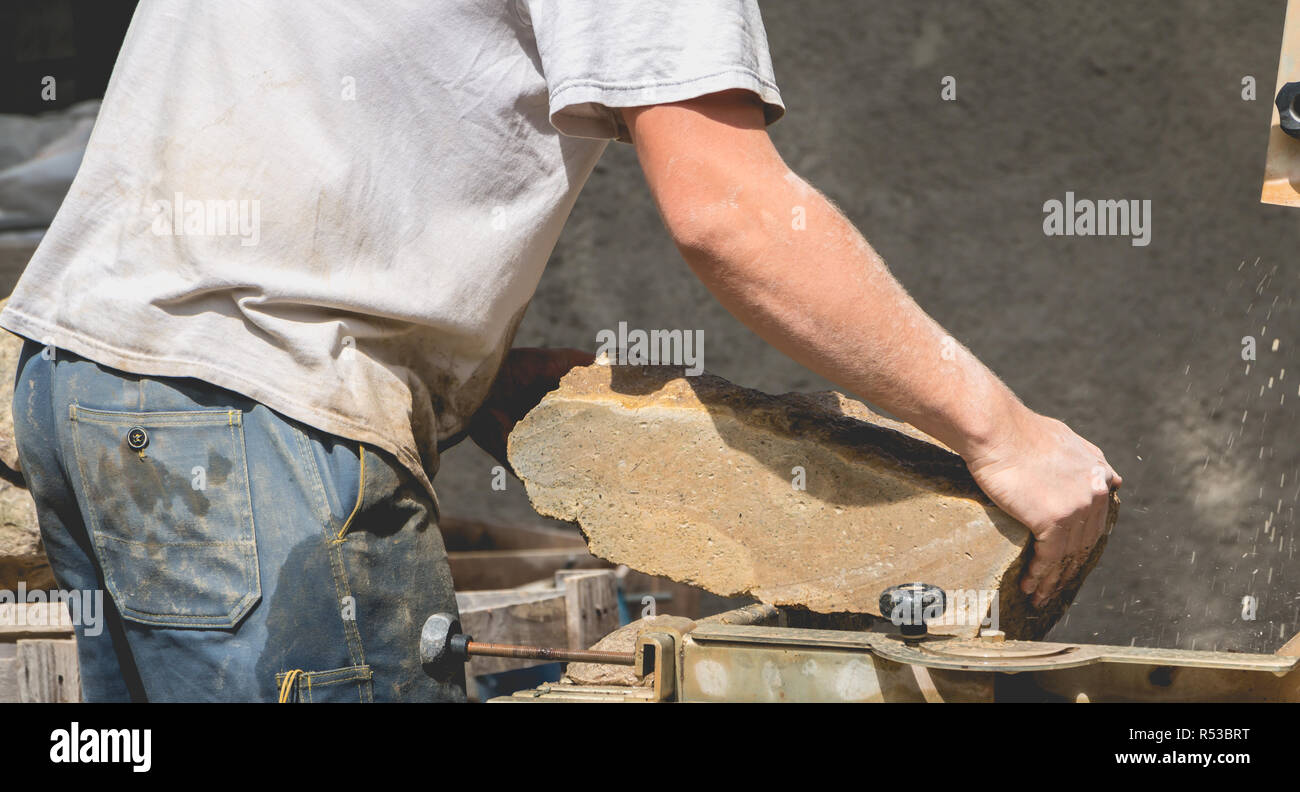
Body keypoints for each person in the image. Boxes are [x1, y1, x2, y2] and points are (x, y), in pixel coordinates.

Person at [1, 0, 1119, 702]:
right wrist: (1000, 432)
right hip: (250, 416)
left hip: (92, 377)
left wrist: (463, 364)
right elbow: (730, 214)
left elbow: (319, 143)